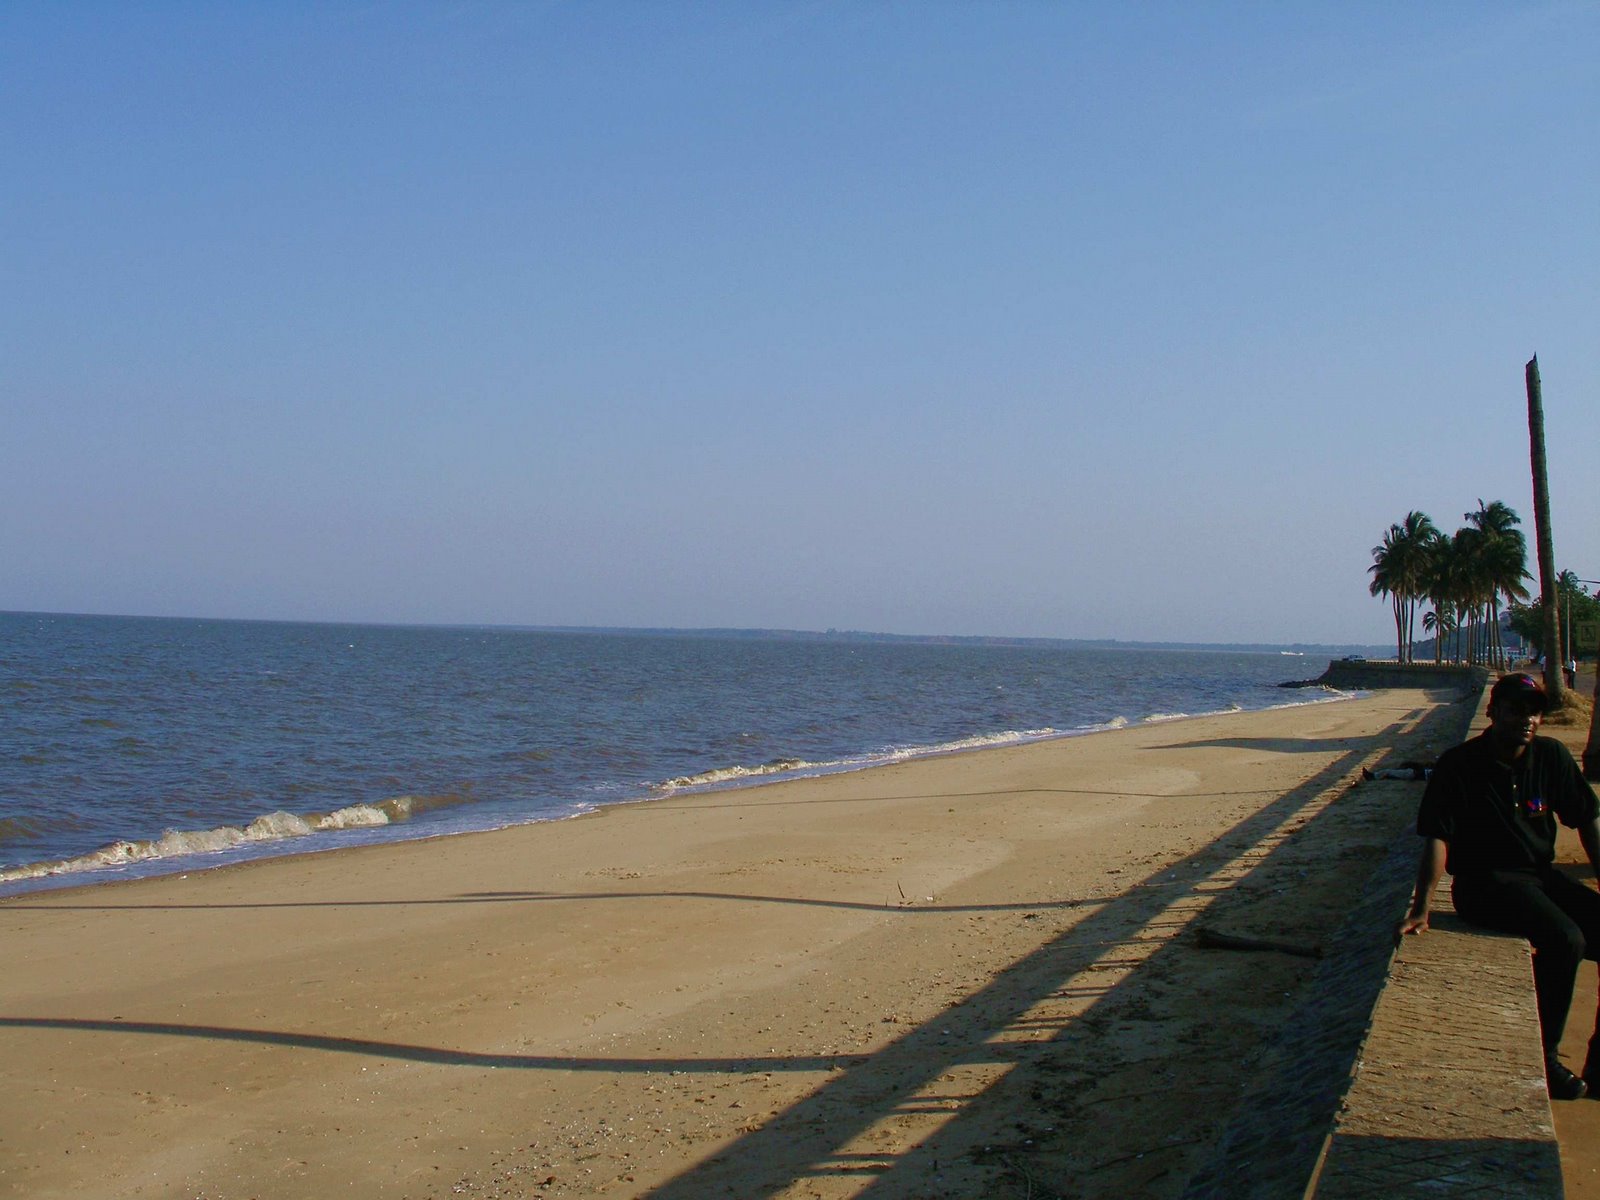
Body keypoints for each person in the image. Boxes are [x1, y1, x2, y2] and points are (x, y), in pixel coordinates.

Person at [1397, 672, 1600, 1100]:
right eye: (1516, 710)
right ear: (1493, 712)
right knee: (1566, 940)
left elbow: (1586, 820)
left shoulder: (1551, 757)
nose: (1526, 720)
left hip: (1539, 876)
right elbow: (1437, 837)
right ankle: (1544, 1061)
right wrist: (1422, 906)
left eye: (1534, 712)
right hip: (1483, 883)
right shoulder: (1460, 764)